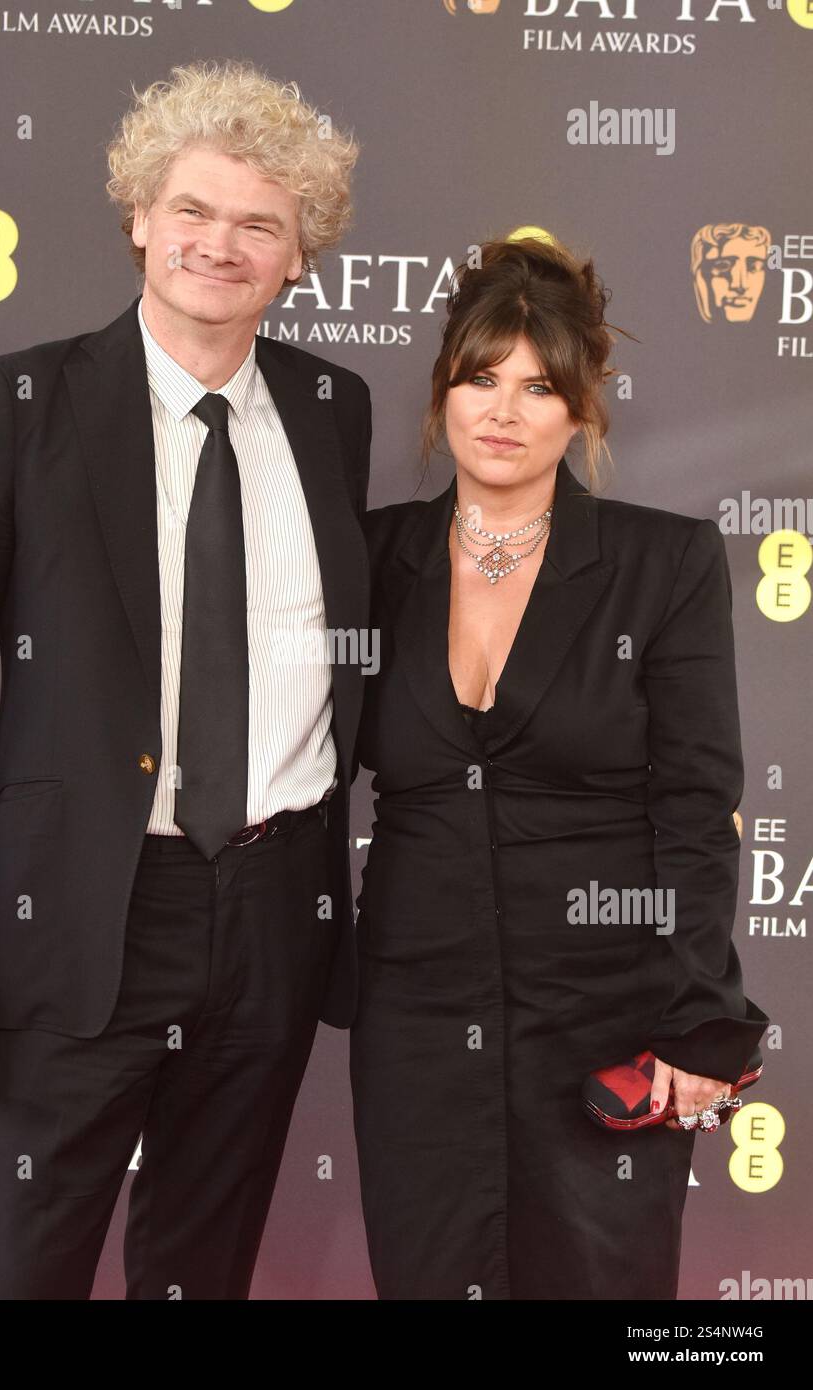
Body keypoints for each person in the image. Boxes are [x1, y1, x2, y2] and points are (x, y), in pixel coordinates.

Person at [0, 59, 371, 1299]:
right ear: (139, 215)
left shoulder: (331, 408)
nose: (222, 244)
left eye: (261, 223)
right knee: (22, 1273)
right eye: (194, 210)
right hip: (76, 921)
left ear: (300, 254)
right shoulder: (21, 404)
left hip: (270, 912)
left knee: (202, 1268)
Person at [348, 235, 769, 1300]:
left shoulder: (660, 564)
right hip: (419, 1015)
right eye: (479, 377)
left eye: (539, 386)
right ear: (443, 388)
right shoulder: (369, 558)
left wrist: (697, 1018)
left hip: (607, 1013)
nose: (502, 409)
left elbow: (694, 805)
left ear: (584, 409)